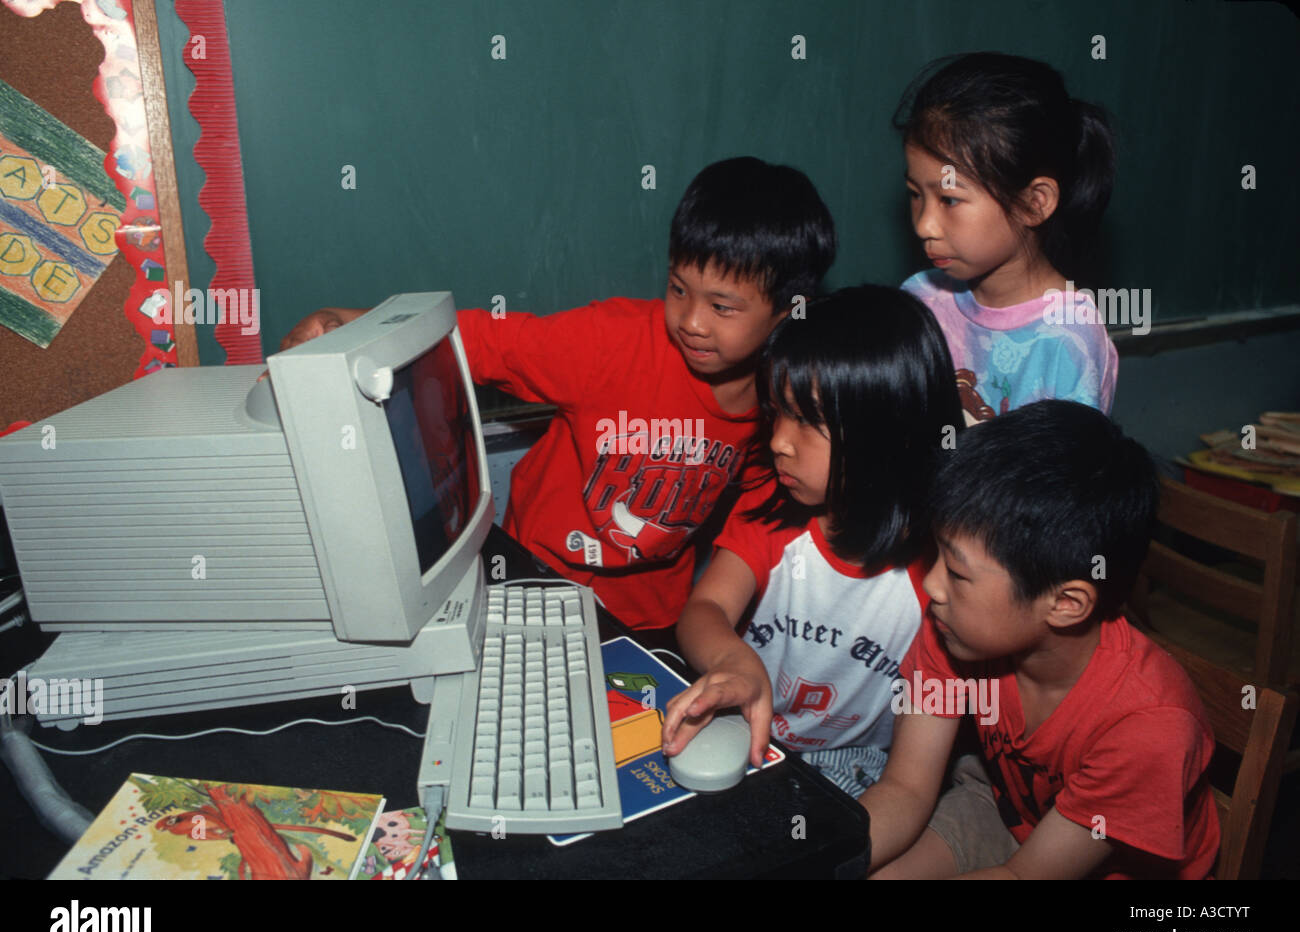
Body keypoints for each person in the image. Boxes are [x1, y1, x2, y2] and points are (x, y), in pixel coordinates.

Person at [280, 157, 836, 629]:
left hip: (651, 616)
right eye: (677, 289)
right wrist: (344, 322)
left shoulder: (785, 407)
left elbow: (752, 519)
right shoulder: (610, 342)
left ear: (787, 313)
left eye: (722, 307)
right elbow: (475, 340)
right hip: (532, 580)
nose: (690, 320)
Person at [863, 400, 1220, 879]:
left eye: (957, 572)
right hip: (1006, 812)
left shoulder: (1149, 727)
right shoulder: (955, 629)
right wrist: (817, 859)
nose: (931, 586)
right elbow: (905, 788)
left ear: (1067, 603)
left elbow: (1026, 876)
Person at [662, 286, 962, 797]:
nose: (778, 439)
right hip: (744, 726)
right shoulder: (773, 511)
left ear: (891, 434)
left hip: (858, 764)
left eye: (808, 421)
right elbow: (704, 608)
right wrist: (733, 661)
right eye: (776, 412)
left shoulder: (941, 574)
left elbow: (910, 788)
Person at [895, 52, 1119, 423]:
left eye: (949, 199)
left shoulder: (1068, 339)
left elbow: (1063, 478)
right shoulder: (920, 300)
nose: (924, 226)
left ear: (1034, 203)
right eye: (916, 194)